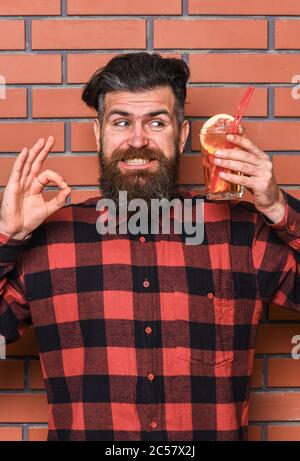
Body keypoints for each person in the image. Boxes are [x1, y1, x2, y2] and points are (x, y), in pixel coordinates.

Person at [0, 52, 299, 441]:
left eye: (156, 122)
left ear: (183, 134)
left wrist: (278, 207)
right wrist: (8, 237)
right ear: (98, 133)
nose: (138, 140)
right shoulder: (50, 239)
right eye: (121, 122)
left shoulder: (239, 232)